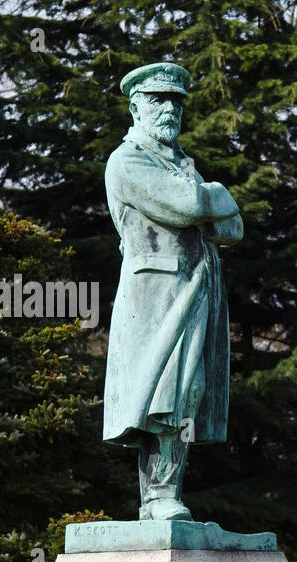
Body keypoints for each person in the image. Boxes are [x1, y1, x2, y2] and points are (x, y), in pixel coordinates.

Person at [102, 62, 243, 520]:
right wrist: (216, 194)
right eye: (158, 100)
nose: (170, 109)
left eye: (176, 102)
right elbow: (185, 206)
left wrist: (207, 203)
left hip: (195, 290)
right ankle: (160, 495)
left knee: (188, 392)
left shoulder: (181, 164)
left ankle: (164, 494)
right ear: (135, 106)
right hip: (155, 296)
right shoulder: (129, 160)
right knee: (166, 396)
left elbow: (232, 229)